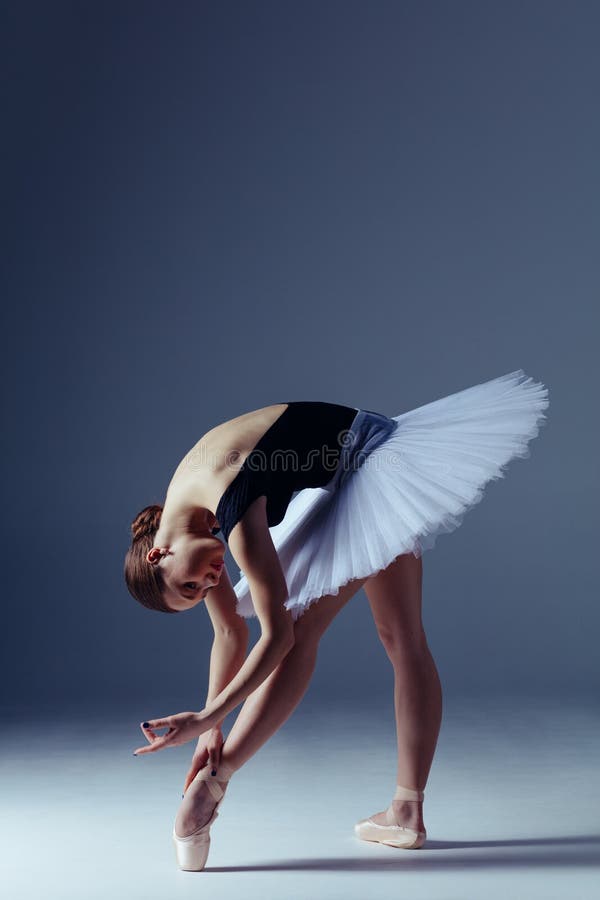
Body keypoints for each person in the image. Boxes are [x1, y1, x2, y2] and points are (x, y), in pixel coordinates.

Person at [124, 370, 549, 870]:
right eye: (195, 594)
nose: (208, 583)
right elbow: (227, 630)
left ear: (157, 555)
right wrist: (211, 730)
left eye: (189, 585)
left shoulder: (229, 507)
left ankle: (213, 788)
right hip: (344, 471)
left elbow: (277, 636)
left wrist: (207, 718)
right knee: (401, 637)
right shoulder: (191, 516)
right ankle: (405, 813)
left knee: (302, 629)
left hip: (373, 459)